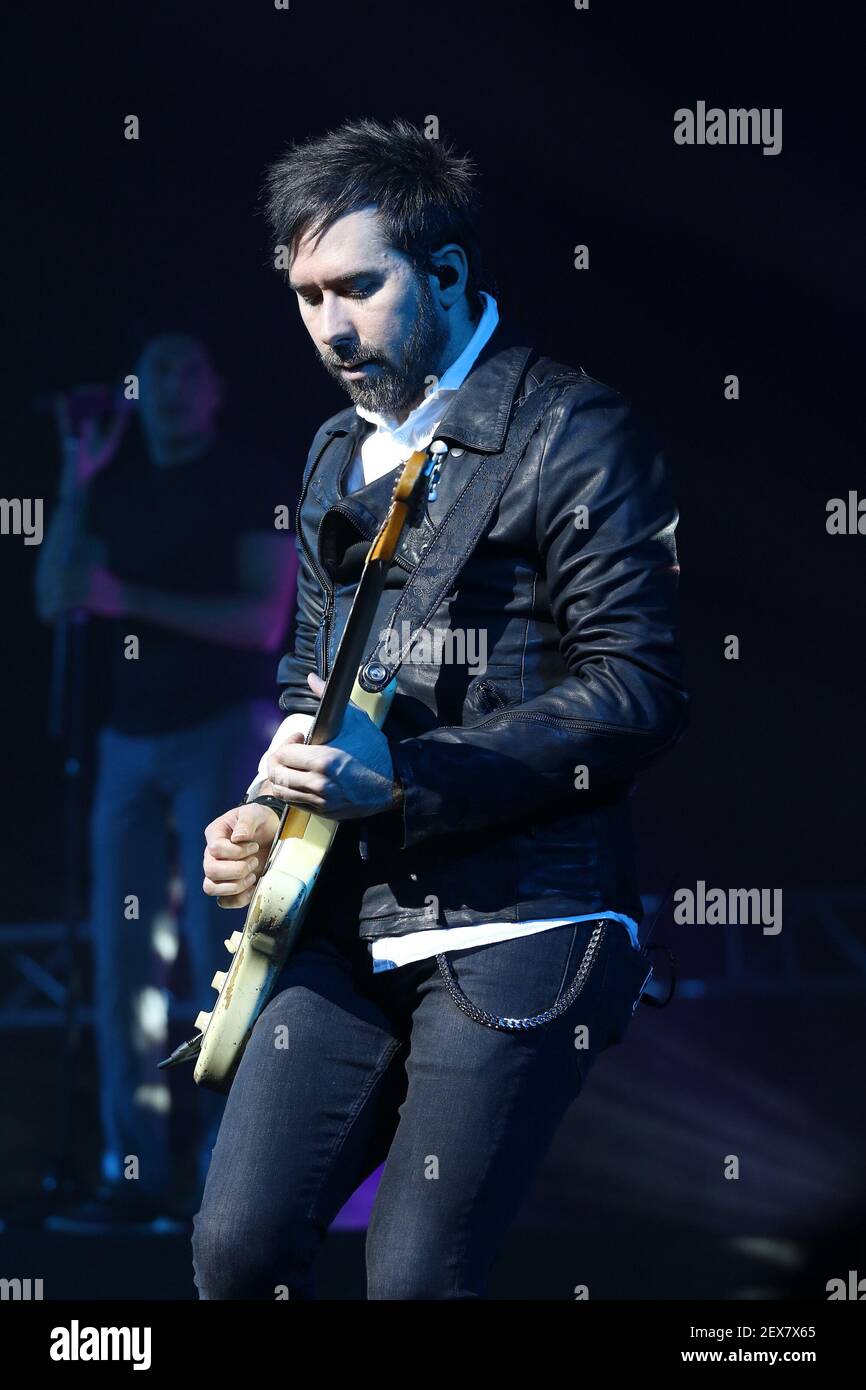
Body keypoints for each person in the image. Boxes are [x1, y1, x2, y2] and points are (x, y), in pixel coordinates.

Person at [193, 118, 689, 1298]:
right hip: (346, 912)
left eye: (358, 286)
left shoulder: (574, 431)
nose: (328, 325)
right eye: (307, 295)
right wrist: (267, 819)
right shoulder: (330, 455)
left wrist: (407, 783)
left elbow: (637, 689)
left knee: (416, 1277)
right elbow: (309, 689)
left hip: (524, 912)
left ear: (449, 274)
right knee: (235, 1248)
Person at [36, 334, 297, 1219]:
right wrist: (77, 474)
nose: (172, 387)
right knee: (124, 968)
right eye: (157, 372)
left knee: (224, 965)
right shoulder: (112, 479)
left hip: (222, 740)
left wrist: (133, 601)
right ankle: (130, 1172)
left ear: (216, 389)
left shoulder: (248, 477)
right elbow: (53, 594)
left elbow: (266, 621)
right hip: (122, 744)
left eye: (192, 369)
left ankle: (232, 1179)